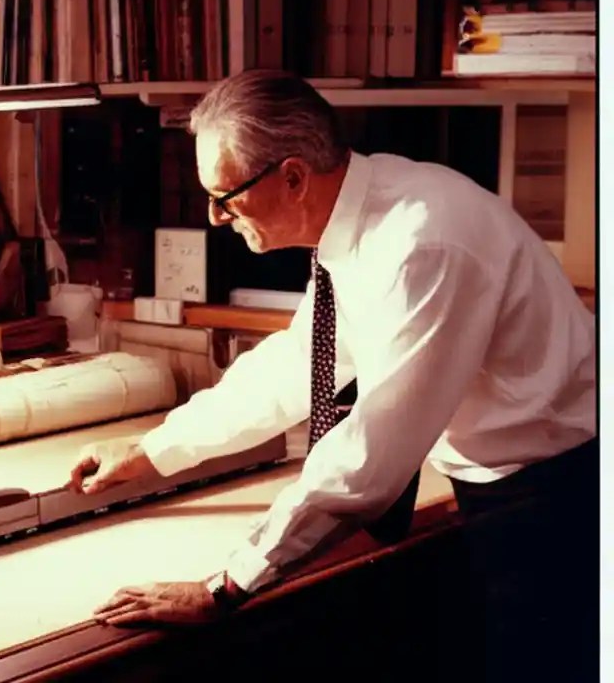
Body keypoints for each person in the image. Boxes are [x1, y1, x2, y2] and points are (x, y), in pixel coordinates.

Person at [68, 69, 597, 680]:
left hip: (556, 496)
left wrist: (226, 585)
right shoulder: (364, 217)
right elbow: (298, 365)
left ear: (293, 178)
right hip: (505, 487)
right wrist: (152, 450)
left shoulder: (421, 245)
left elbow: (369, 459)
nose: (216, 217)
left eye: (226, 195)